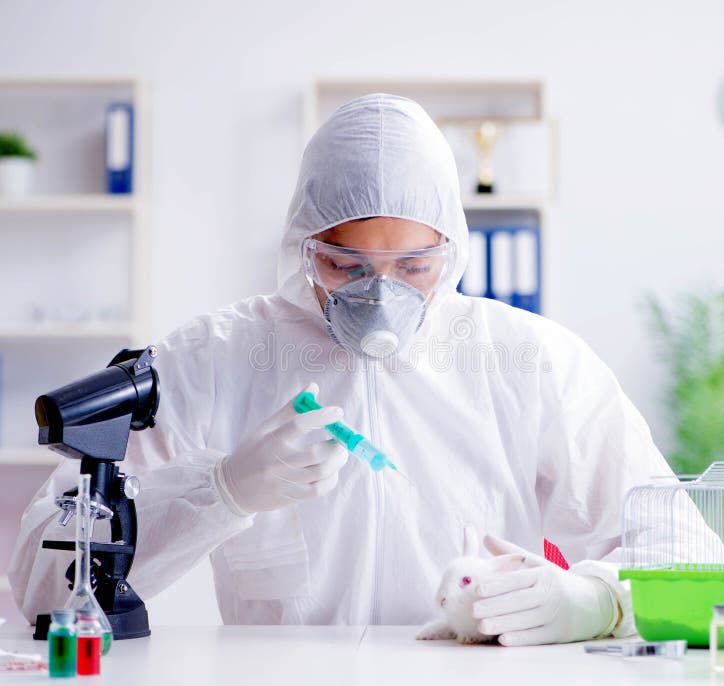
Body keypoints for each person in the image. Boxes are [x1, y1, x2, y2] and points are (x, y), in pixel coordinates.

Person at [10, 93, 676, 646]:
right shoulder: (214, 357)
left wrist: (600, 600)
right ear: (304, 245)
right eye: (345, 265)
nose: (380, 294)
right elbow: (40, 588)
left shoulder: (531, 361)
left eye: (413, 266)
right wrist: (219, 490)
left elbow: (684, 550)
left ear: (452, 248)